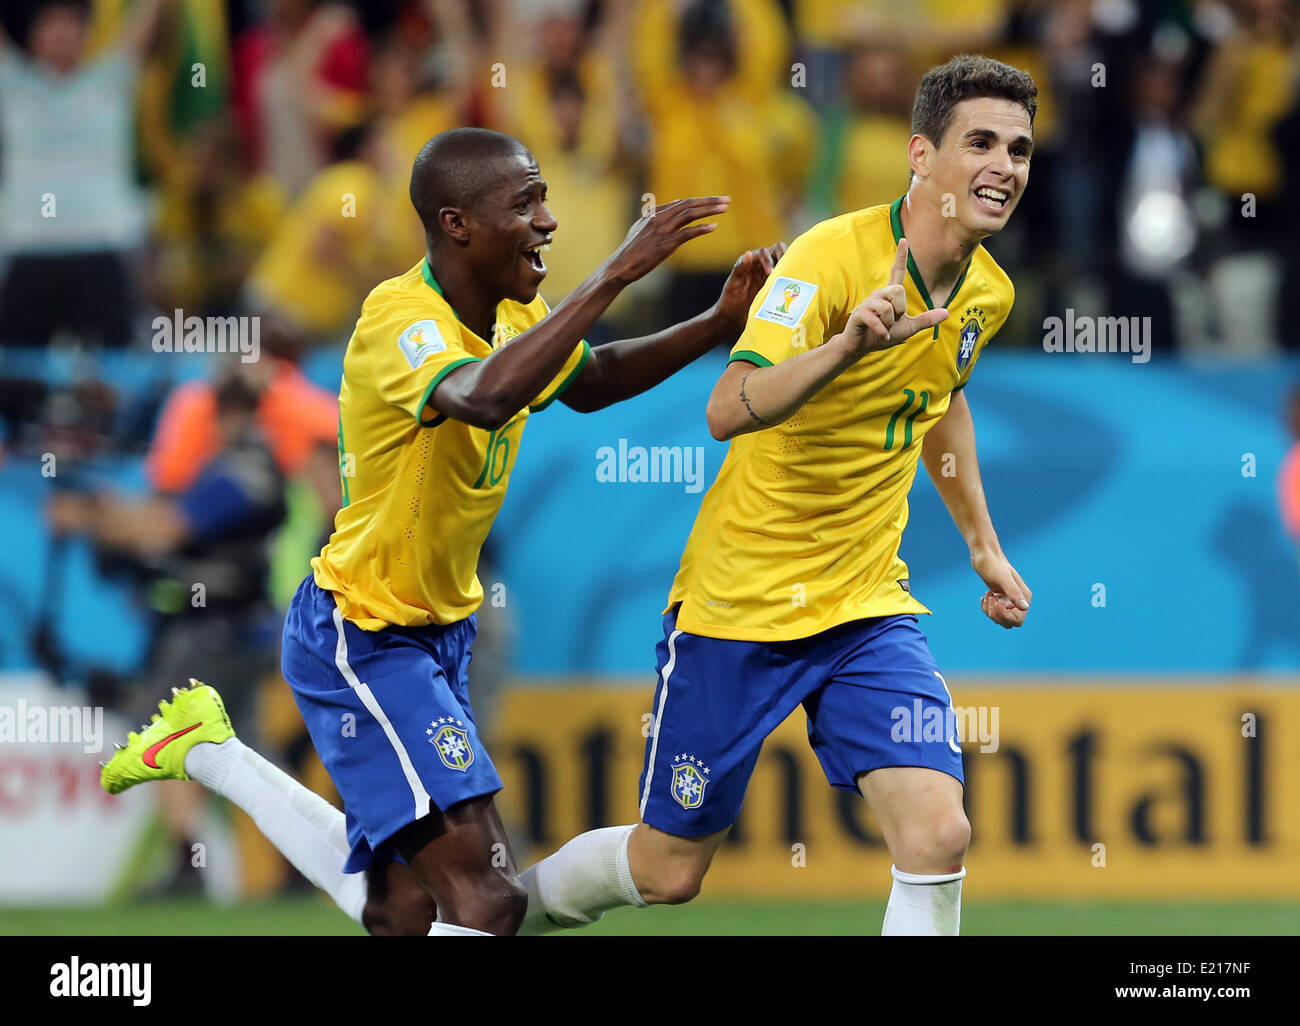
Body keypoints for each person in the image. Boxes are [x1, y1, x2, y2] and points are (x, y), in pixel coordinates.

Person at [101, 127, 784, 936]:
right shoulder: (400, 318)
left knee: (404, 913)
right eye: (524, 204)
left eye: (544, 199)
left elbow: (591, 378)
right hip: (365, 630)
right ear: (457, 223)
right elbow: (482, 398)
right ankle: (212, 754)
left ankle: (211, 753)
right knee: (488, 901)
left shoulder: (513, 313)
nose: (547, 221)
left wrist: (718, 323)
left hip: (438, 632)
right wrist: (615, 273)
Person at [519, 53, 1037, 937]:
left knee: (939, 833)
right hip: (742, 604)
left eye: (1019, 150)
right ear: (920, 154)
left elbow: (942, 395)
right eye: (980, 143)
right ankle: (492, 916)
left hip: (865, 607)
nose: (1004, 167)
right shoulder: (830, 256)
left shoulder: (990, 291)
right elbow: (728, 407)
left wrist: (983, 545)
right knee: (667, 869)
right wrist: (844, 348)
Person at [0, 0, 167, 347]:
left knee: (114, 363)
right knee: (18, 366)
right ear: (34, 35)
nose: (62, 34)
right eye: (52, 24)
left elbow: (145, 22)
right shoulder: (13, 84)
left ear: (87, 35)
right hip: (28, 248)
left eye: (71, 25)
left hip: (101, 246)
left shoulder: (110, 82)